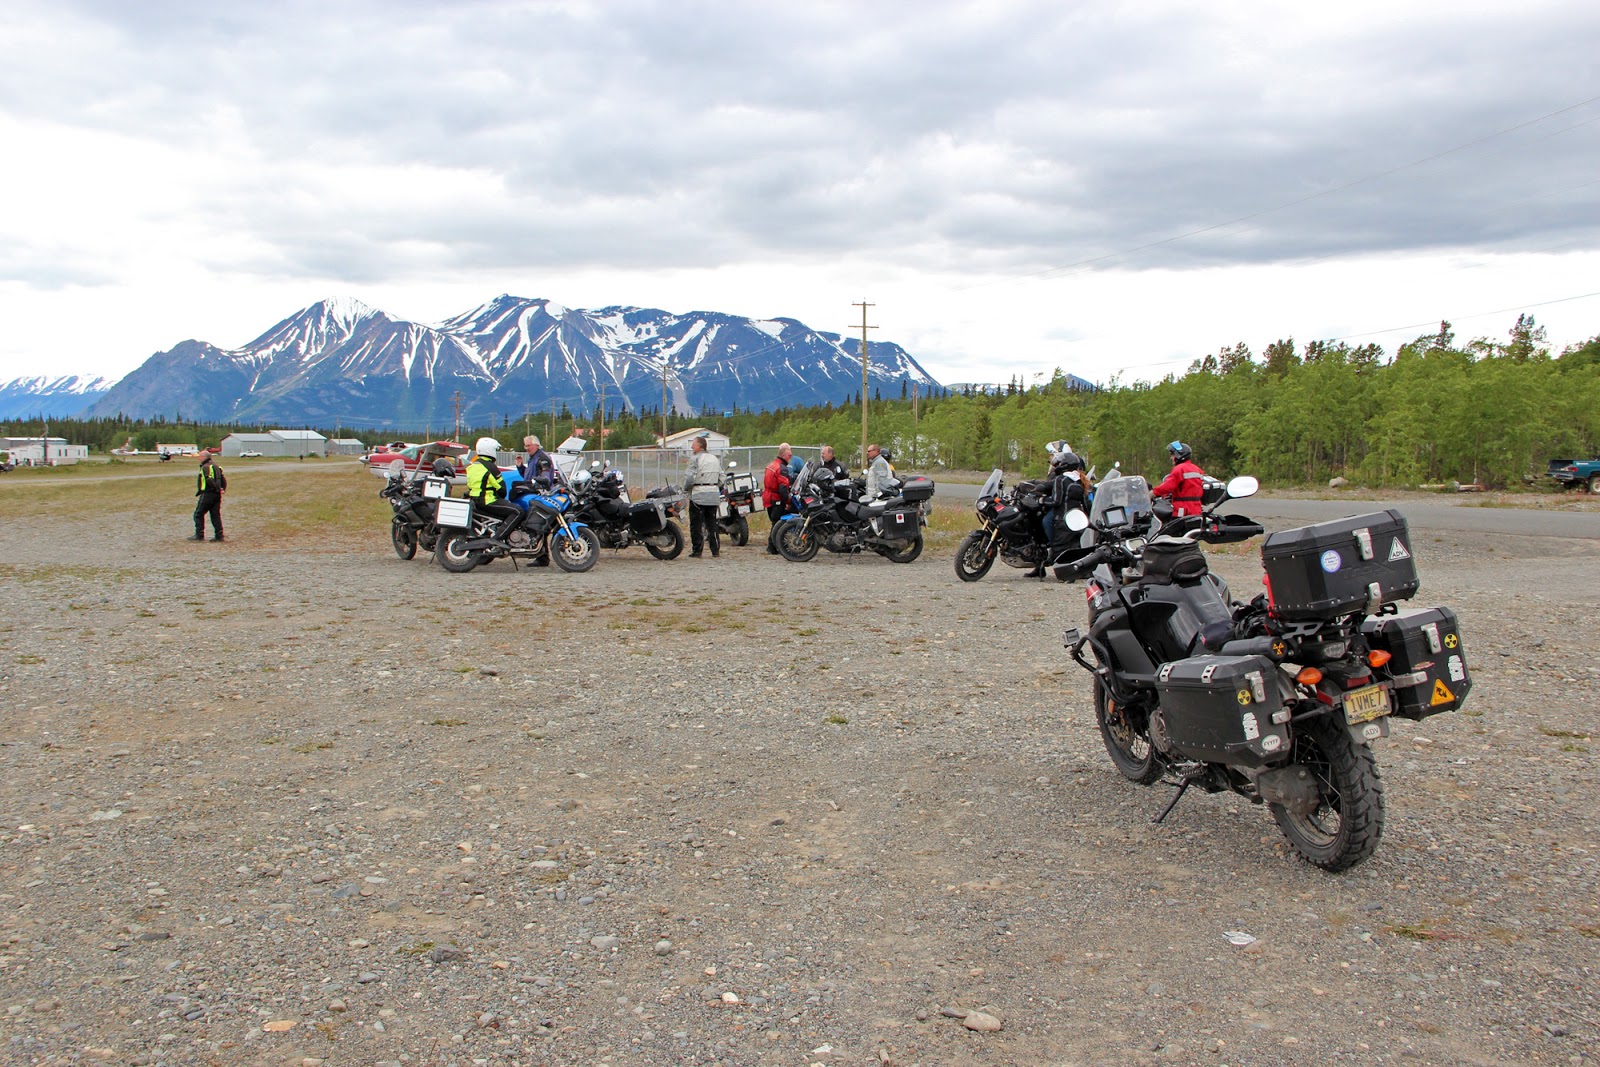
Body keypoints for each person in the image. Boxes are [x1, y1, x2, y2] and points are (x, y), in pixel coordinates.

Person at [682, 434, 722, 557]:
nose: (692, 447)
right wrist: (716, 487)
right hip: (713, 493)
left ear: (699, 446)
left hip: (698, 494)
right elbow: (722, 477)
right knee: (712, 523)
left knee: (696, 524)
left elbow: (689, 478)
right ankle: (715, 550)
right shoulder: (715, 458)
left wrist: (685, 489)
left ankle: (697, 550)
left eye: (693, 445)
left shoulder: (695, 459)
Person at [1151, 440, 1206, 517]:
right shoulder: (1197, 469)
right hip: (1196, 510)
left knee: (1169, 527)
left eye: (1172, 455)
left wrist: (1152, 493)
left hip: (1183, 510)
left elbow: (1167, 487)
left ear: (1179, 455)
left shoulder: (1179, 469)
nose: (1171, 458)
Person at [762, 443, 794, 554]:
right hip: (775, 498)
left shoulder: (771, 465)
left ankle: (773, 546)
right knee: (778, 522)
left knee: (775, 522)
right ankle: (773, 546)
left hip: (768, 498)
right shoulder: (782, 468)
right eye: (790, 455)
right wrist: (789, 501)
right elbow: (783, 488)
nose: (791, 458)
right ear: (784, 455)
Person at [189, 450, 227, 541]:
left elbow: (208, 479)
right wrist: (222, 489)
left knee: (198, 514)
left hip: (208, 493)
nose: (199, 458)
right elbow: (223, 479)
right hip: (217, 495)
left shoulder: (205, 467)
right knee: (215, 514)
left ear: (204, 457)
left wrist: (215, 487)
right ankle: (219, 535)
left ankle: (199, 535)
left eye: (200, 456)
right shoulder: (217, 466)